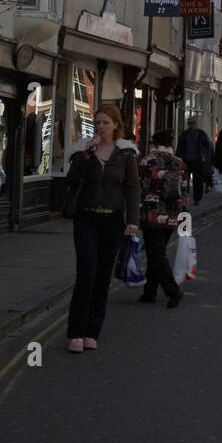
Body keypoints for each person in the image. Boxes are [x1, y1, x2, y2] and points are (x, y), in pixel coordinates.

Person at [65, 105, 140, 352]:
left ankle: (92, 331)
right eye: (97, 122)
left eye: (105, 123)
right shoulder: (83, 151)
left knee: (102, 277)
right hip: (86, 217)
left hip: (113, 220)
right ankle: (76, 331)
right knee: (86, 271)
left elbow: (132, 188)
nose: (100, 127)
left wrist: (133, 219)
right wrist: (86, 157)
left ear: (116, 125)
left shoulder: (126, 154)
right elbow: (72, 181)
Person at [137, 129, 188, 307]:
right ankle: (149, 292)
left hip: (152, 213)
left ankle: (173, 290)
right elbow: (183, 190)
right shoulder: (179, 162)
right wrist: (184, 216)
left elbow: (140, 187)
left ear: (154, 142)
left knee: (156, 253)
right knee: (157, 252)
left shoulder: (147, 161)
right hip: (172, 214)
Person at [176, 116, 211, 205]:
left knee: (198, 180)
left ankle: (197, 198)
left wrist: (204, 155)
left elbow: (208, 146)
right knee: (184, 180)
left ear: (196, 124)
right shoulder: (184, 134)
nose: (191, 125)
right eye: (190, 123)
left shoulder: (201, 134)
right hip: (186, 159)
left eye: (193, 123)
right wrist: (179, 157)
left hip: (198, 159)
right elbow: (180, 146)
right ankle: (185, 196)